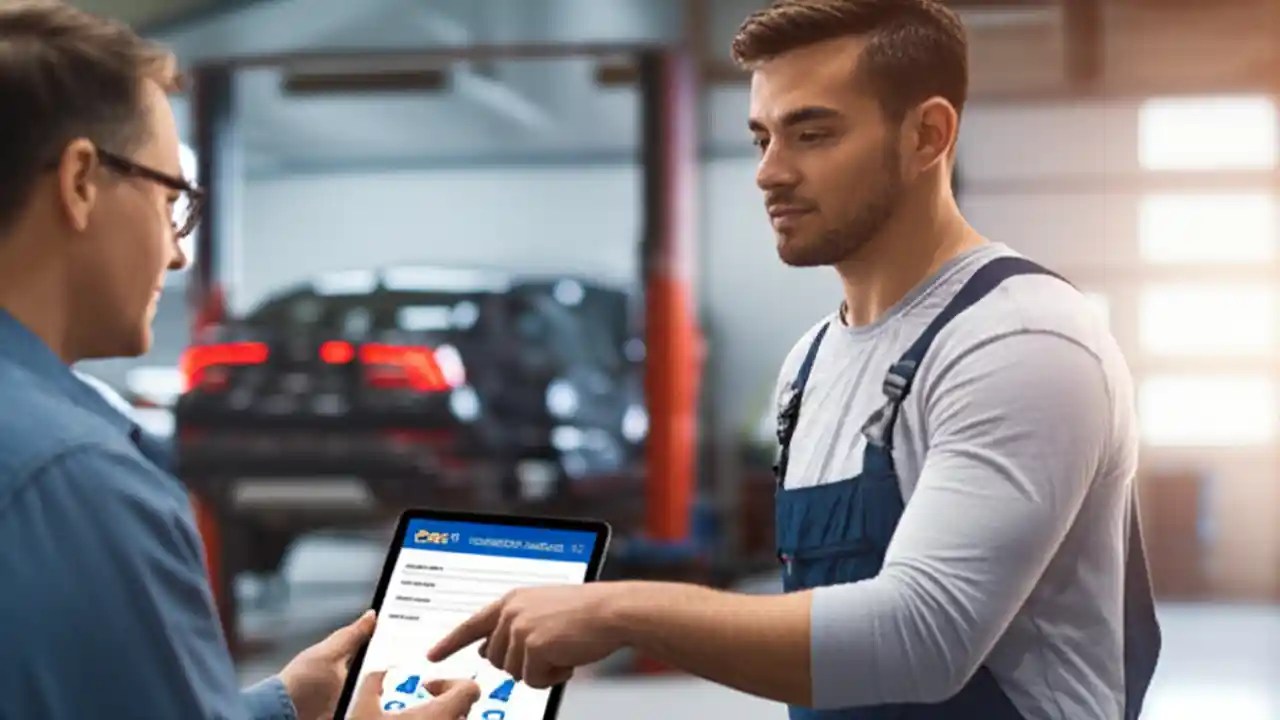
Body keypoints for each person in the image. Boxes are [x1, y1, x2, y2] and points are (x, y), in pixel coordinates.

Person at [429, 1, 1161, 718]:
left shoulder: (1021, 340)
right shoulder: (809, 365)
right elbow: (827, 626)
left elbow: (924, 637)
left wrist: (624, 610)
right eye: (761, 139)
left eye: (811, 134)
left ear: (927, 135)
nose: (769, 174)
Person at [0, 2, 479, 719]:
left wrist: (281, 707)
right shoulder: (78, 482)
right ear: (80, 182)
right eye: (172, 199)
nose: (177, 249)